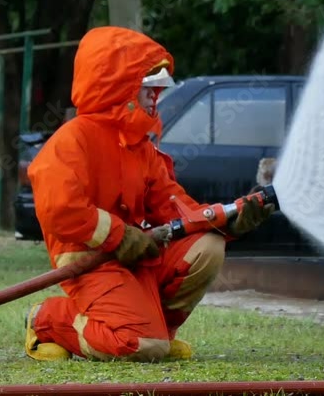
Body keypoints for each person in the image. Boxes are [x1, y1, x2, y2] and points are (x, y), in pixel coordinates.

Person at [23, 26, 275, 362]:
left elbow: (175, 208)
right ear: (118, 84)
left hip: (135, 253)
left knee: (207, 248)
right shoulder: (72, 141)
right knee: (137, 344)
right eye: (150, 85)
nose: (156, 95)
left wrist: (230, 220)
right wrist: (119, 236)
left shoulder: (140, 147)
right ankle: (47, 320)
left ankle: (158, 333)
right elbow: (61, 210)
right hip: (90, 261)